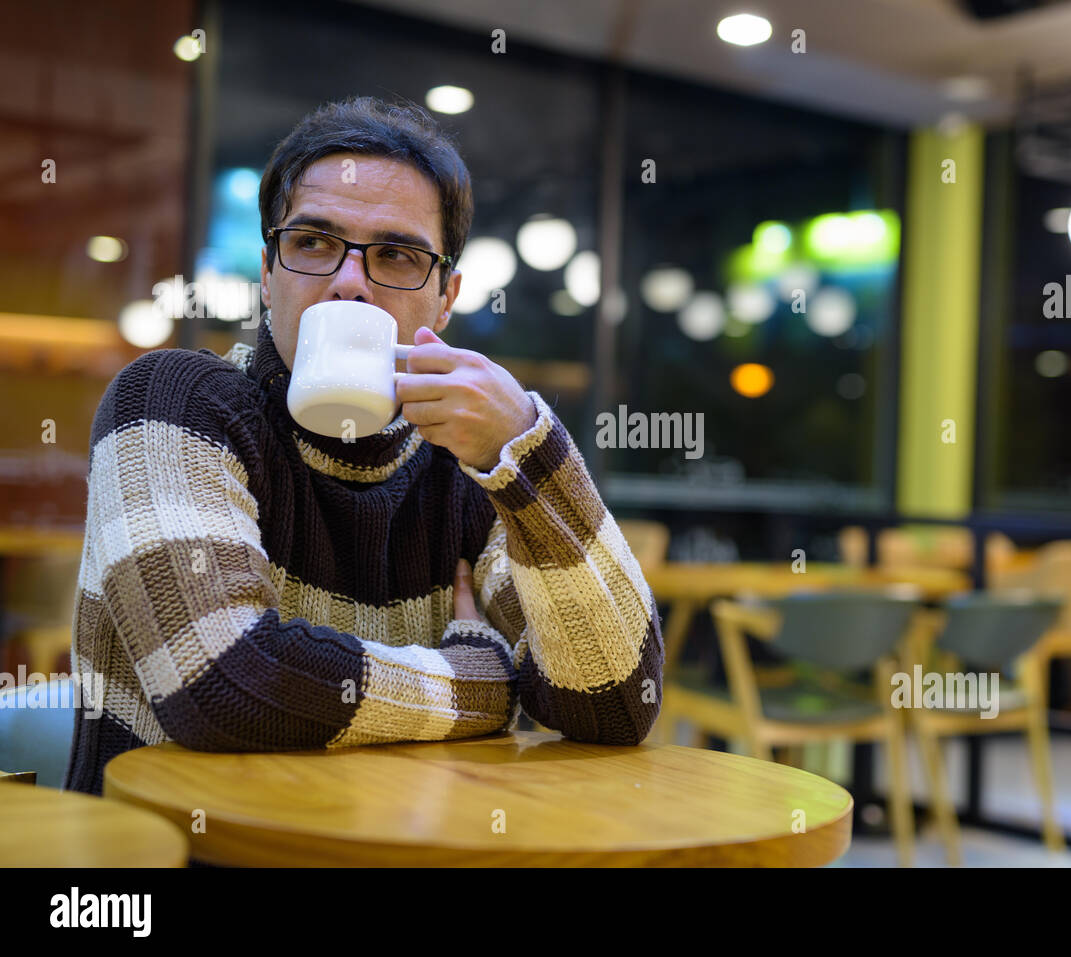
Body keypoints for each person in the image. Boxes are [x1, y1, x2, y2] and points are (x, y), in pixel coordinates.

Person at [64, 96, 663, 795]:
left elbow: (618, 703)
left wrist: (528, 447)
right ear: (267, 272)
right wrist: (479, 683)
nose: (350, 283)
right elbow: (224, 683)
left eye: (396, 255)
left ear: (445, 298)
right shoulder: (173, 403)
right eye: (313, 242)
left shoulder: (470, 464)